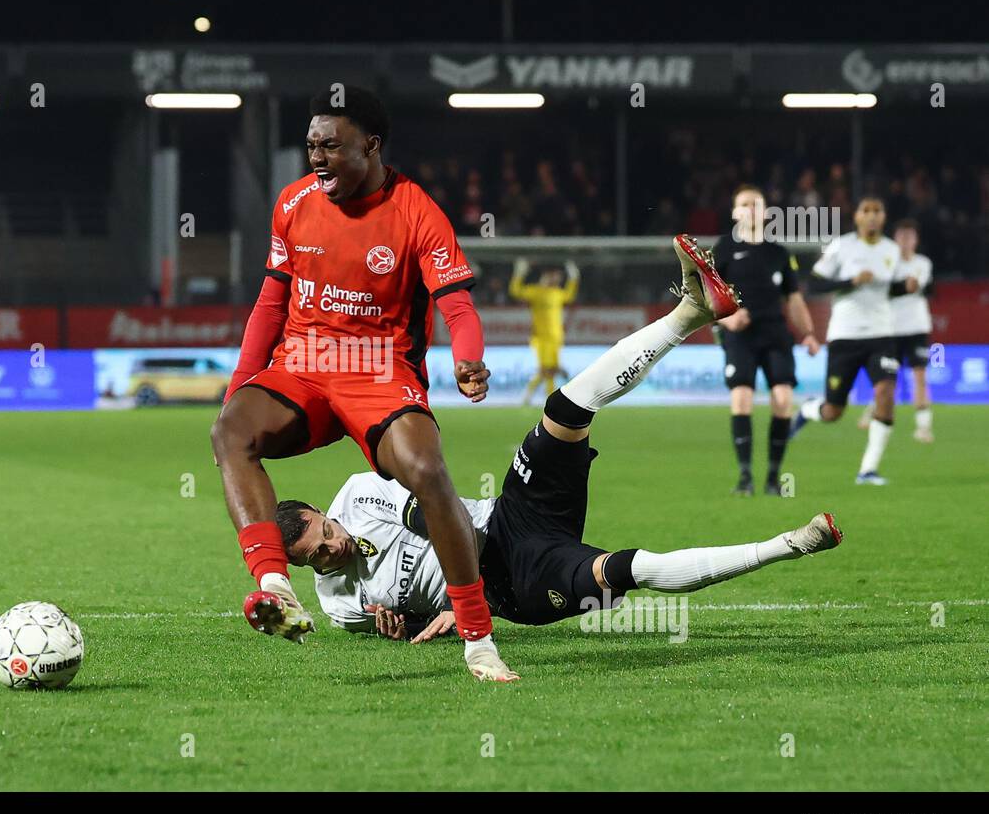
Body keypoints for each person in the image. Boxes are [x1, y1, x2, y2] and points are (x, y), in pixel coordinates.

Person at [272, 236, 843, 642]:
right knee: (630, 569)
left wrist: (455, 593)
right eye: (318, 556)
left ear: (326, 512)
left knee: (566, 408)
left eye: (326, 533)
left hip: (506, 518)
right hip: (515, 585)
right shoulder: (339, 605)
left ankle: (692, 311)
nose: (332, 548)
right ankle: (791, 544)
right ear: (303, 570)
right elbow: (422, 628)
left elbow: (451, 522)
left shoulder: (359, 492)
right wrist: (409, 628)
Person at [212, 87, 516, 683]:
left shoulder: (416, 211)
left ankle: (477, 638)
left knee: (427, 474)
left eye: (331, 146)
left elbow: (457, 305)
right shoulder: (295, 203)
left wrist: (469, 359)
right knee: (230, 433)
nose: (317, 158)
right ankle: (275, 582)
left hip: (379, 368)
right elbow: (270, 305)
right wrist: (240, 391)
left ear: (371, 146)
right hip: (303, 361)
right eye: (310, 146)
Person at [791, 198, 917, 485]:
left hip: (881, 334)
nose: (872, 216)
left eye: (878, 211)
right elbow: (814, 284)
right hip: (844, 337)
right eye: (866, 211)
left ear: (884, 218)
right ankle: (809, 409)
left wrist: (905, 288)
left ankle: (868, 470)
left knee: (885, 393)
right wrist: (850, 281)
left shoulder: (891, 250)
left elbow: (890, 288)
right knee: (833, 412)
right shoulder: (842, 246)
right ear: (857, 217)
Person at [713, 185, 821, 496]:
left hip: (775, 333)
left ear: (766, 213)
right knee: (742, 399)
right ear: (735, 213)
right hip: (740, 336)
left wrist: (809, 334)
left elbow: (795, 300)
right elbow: (707, 298)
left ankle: (773, 477)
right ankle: (745, 477)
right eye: (744, 204)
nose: (750, 209)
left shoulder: (779, 254)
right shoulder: (723, 250)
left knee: (784, 400)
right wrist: (728, 318)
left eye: (756, 204)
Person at [856, 219, 935, 442]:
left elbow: (924, 288)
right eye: (902, 237)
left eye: (910, 237)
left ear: (916, 240)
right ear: (895, 239)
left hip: (917, 328)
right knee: (887, 379)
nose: (906, 242)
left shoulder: (923, 263)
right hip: (890, 328)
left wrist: (912, 286)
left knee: (919, 376)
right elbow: (883, 289)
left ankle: (923, 427)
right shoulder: (887, 262)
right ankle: (873, 411)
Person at [510, 257, 579, 406]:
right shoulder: (535, 291)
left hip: (556, 337)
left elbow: (570, 295)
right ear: (545, 276)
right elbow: (515, 291)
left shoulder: (557, 293)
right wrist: (519, 273)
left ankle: (532, 396)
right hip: (540, 337)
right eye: (554, 275)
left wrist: (574, 278)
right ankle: (544, 397)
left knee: (551, 370)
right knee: (546, 369)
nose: (556, 278)